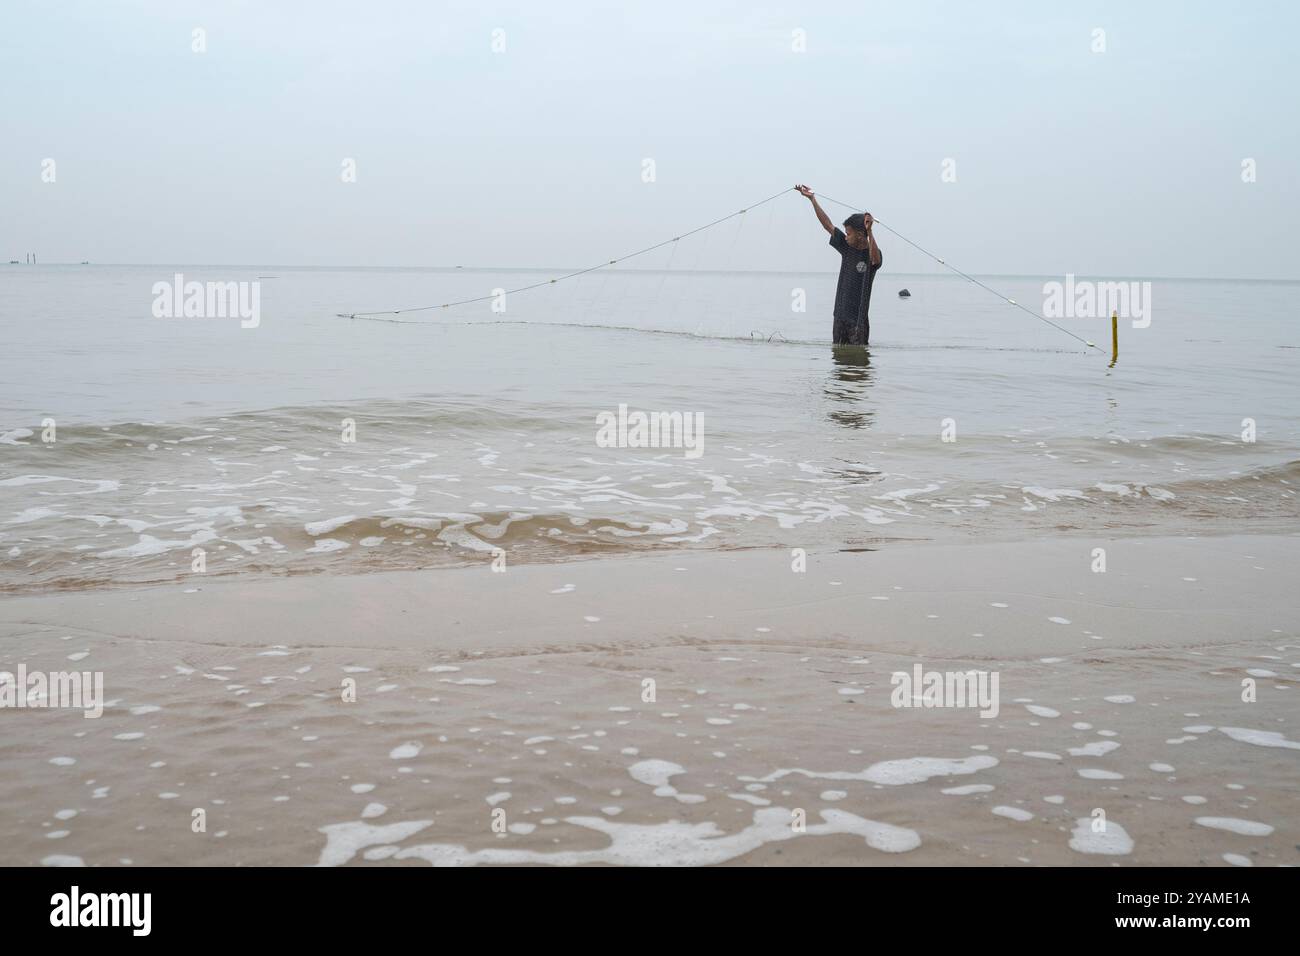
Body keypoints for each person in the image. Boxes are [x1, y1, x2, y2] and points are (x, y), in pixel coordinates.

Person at [795, 184, 883, 345]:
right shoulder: (846, 247)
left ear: (859, 235)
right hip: (839, 317)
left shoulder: (870, 253)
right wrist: (812, 199)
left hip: (858, 321)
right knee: (839, 361)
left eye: (849, 233)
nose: (846, 237)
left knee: (859, 363)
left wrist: (870, 231)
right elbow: (827, 225)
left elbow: (876, 261)